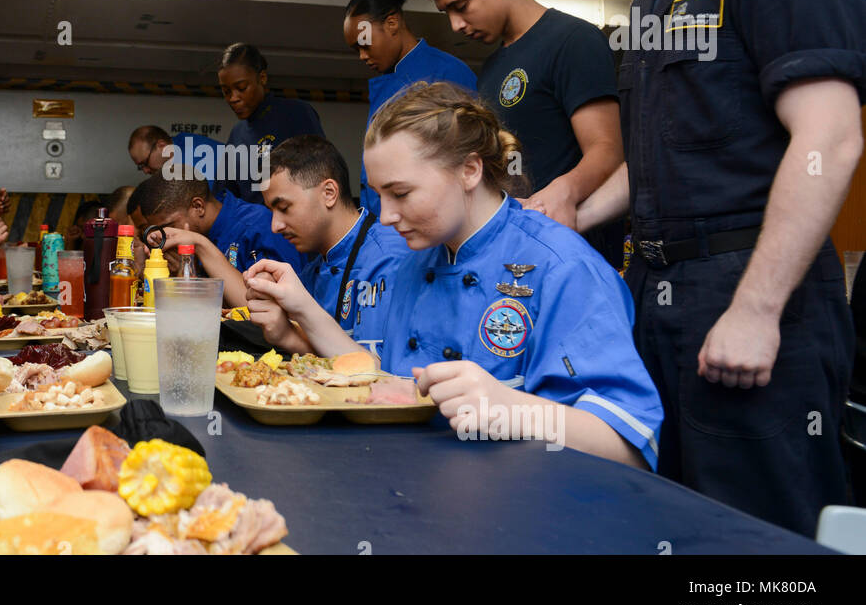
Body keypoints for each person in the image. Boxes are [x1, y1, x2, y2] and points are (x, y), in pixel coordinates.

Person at [573, 0, 866, 535]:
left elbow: (828, 137)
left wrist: (757, 309)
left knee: (758, 537)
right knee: (672, 521)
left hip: (751, 285)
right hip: (659, 288)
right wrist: (573, 208)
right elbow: (660, 149)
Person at [246, 82, 663, 470]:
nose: (386, 217)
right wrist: (300, 310)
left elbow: (630, 446)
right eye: (379, 196)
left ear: (469, 170)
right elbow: (387, 380)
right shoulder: (417, 259)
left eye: (401, 194)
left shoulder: (562, 267)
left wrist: (511, 407)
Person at [421, 0, 626, 266]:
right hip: (514, 254)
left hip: (573, 252)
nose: (456, 25)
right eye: (448, 13)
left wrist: (565, 190)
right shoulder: (490, 70)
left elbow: (608, 149)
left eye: (461, 7)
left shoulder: (574, 41)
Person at [342, 0, 477, 217]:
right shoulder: (384, 85)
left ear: (392, 23)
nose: (362, 56)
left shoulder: (448, 73)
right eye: (356, 49)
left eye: (365, 44)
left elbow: (468, 157)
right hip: (380, 222)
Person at [264, 135, 409, 337]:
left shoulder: (387, 257)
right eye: (272, 212)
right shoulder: (313, 270)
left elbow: (372, 364)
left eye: (284, 207)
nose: (275, 226)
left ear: (329, 193)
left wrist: (290, 338)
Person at [136, 170, 302, 308]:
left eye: (169, 225)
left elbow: (267, 309)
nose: (166, 234)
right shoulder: (197, 235)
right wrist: (183, 272)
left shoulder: (259, 225)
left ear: (198, 206)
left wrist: (200, 245)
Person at [219, 43, 325, 202]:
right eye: (226, 92)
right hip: (252, 225)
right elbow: (225, 194)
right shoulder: (237, 135)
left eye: (241, 88)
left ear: (262, 78)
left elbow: (319, 174)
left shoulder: (296, 114)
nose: (233, 98)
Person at [128, 124, 233, 198]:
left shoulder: (196, 159)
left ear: (162, 146)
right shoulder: (177, 146)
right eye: (141, 167)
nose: (145, 170)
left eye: (145, 163)